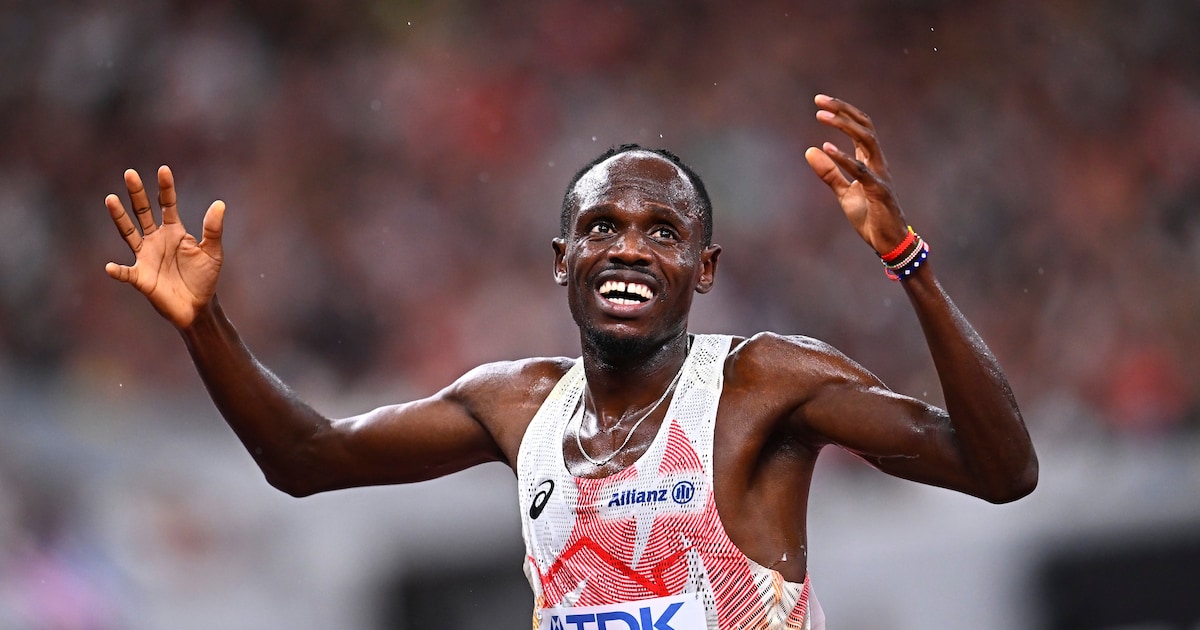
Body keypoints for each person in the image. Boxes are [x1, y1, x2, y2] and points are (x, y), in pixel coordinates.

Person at [103, 94, 1037, 629]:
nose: (629, 248)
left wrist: (903, 256)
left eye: (662, 232)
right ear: (563, 261)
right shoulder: (515, 405)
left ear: (704, 270)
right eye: (602, 227)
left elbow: (1003, 472)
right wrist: (204, 325)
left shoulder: (763, 383)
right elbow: (304, 458)